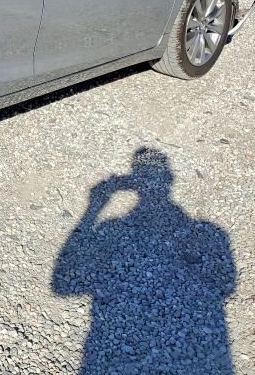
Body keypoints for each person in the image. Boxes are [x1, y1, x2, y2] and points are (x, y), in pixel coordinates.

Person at [53, 147, 236, 374]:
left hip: (111, 350)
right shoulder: (211, 233)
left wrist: (93, 209)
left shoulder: (111, 229)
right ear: (170, 179)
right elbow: (225, 285)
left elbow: (62, 284)